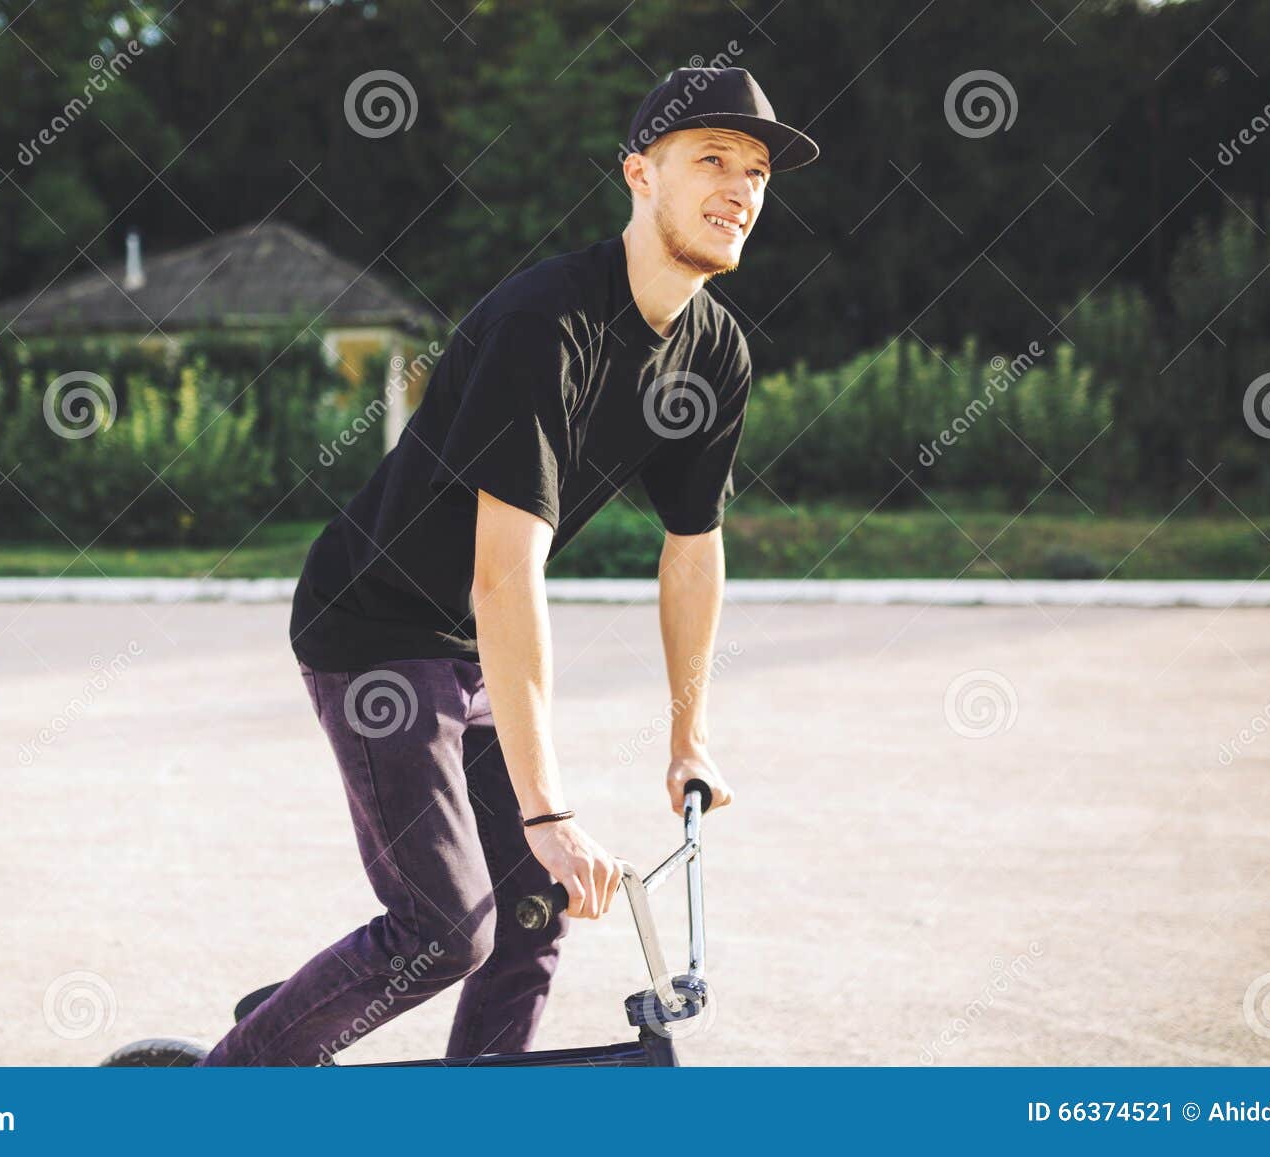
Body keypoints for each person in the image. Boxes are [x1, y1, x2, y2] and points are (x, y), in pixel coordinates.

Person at [199, 66, 818, 1066]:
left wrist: (688, 738)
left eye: (755, 170)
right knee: (445, 927)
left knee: (532, 913)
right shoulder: (548, 324)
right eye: (710, 158)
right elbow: (504, 576)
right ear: (639, 174)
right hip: (376, 626)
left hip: (469, 648)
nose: (740, 187)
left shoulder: (713, 354)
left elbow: (692, 552)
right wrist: (548, 809)